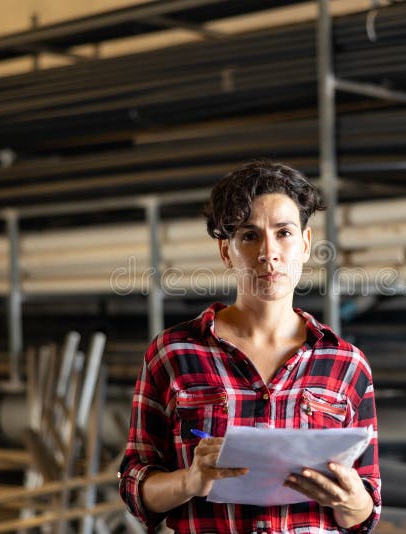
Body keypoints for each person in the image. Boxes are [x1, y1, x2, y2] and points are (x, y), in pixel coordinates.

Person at [119, 160, 380, 533]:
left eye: (284, 233)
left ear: (305, 245)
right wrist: (189, 481)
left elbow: (367, 510)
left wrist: (350, 498)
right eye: (249, 235)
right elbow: (134, 486)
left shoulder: (347, 365)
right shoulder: (173, 353)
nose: (268, 252)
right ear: (226, 252)